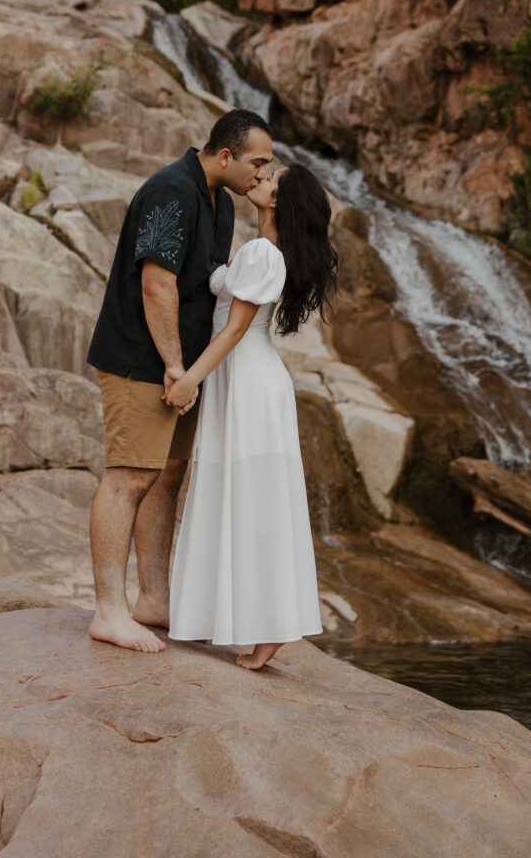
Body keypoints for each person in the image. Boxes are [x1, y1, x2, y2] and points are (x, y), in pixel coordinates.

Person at [85, 108, 273, 653]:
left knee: (166, 476)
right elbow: (156, 284)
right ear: (225, 155)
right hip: (140, 362)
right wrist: (173, 365)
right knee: (127, 477)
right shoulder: (172, 190)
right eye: (258, 163)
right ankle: (108, 611)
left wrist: (188, 371)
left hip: (180, 368)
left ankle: (152, 599)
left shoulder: (219, 204)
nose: (262, 174)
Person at [166, 161, 338, 669]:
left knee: (255, 502)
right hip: (246, 381)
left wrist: (189, 378)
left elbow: (236, 328)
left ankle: (272, 628)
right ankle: (254, 621)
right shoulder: (261, 248)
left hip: (247, 381)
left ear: (279, 200)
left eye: (270, 179)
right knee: (250, 499)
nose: (259, 179)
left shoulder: (264, 251)